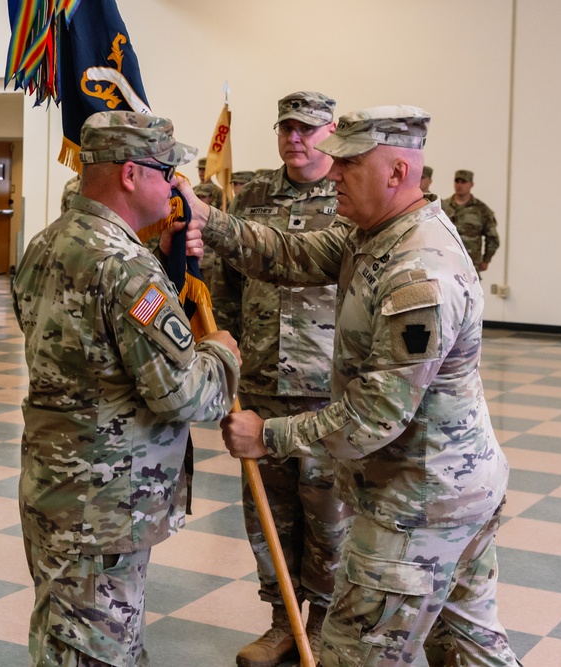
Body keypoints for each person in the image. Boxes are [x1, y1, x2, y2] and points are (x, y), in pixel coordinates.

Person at [185, 105, 520, 666]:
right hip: (444, 490)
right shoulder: (375, 233)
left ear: (397, 173)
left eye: (350, 164)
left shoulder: (419, 271)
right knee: (468, 647)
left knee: (352, 654)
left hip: (418, 503)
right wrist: (207, 218)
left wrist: (269, 435)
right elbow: (289, 253)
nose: (332, 173)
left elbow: (373, 417)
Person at [12, 110, 241, 667]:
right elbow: (184, 394)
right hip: (105, 501)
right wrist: (223, 356)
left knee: (71, 633)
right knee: (95, 647)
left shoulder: (45, 245)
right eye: (167, 170)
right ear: (131, 175)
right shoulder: (125, 267)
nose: (176, 185)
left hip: (58, 486)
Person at [213, 91, 353, 667]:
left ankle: (318, 623)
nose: (294, 138)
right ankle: (280, 620)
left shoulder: (348, 195)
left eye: (307, 129)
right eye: (285, 128)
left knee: (327, 517)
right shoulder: (253, 195)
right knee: (267, 514)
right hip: (263, 385)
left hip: (325, 389)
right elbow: (226, 280)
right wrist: (224, 351)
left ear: (331, 132)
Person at [442, 169, 500, 275]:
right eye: (457, 181)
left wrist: (486, 260)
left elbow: (493, 238)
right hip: (445, 263)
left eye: (463, 182)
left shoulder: (481, 210)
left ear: (471, 184)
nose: (459, 185)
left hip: (470, 266)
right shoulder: (443, 207)